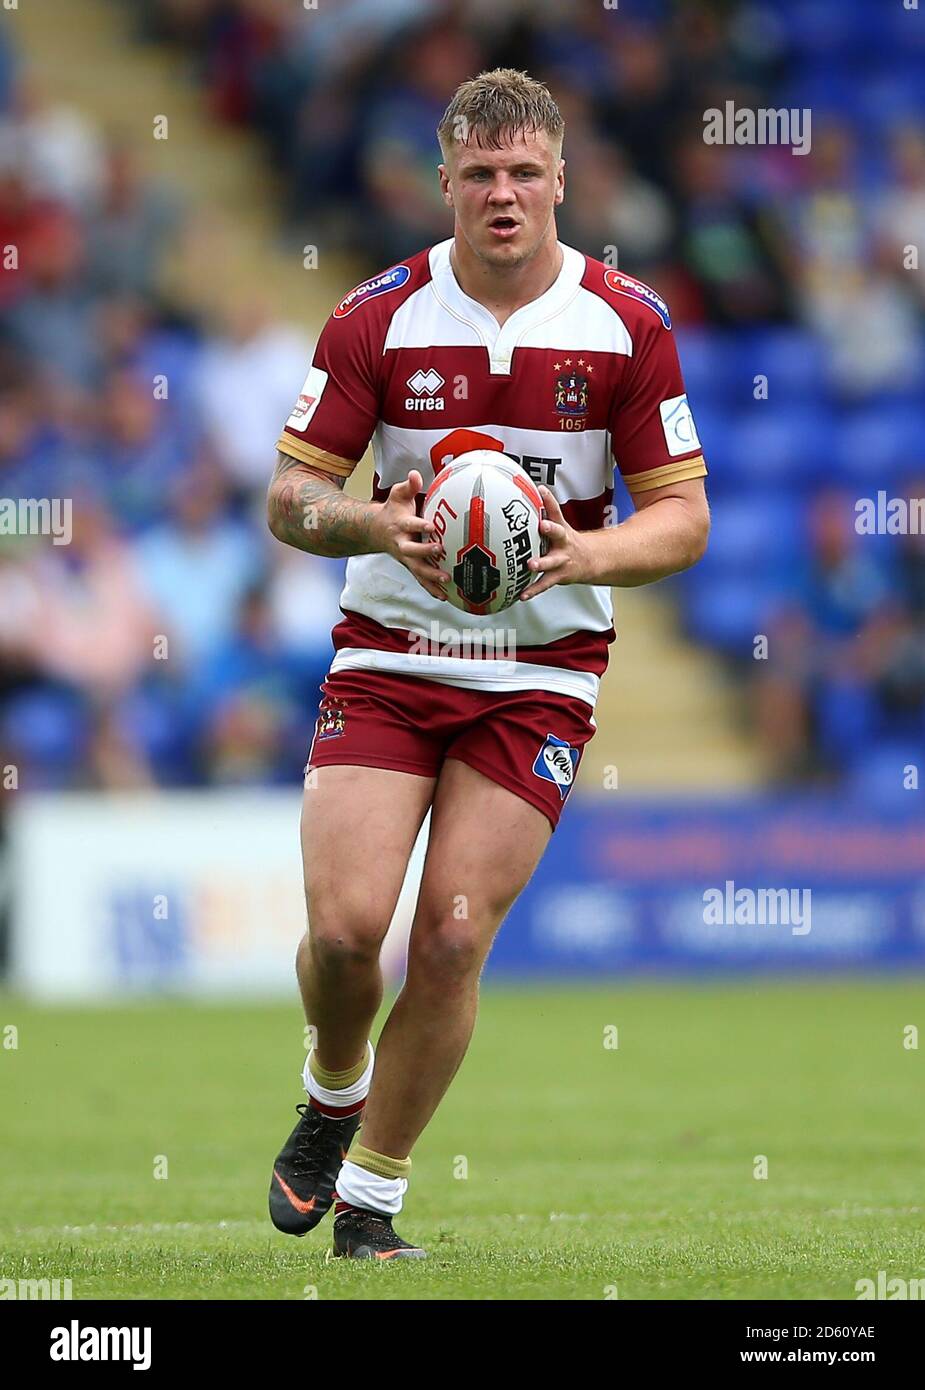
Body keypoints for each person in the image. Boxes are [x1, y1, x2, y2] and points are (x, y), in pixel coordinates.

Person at [265, 69, 710, 1259]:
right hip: (390, 653)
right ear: (444, 184)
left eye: (523, 173)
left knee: (454, 934)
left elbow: (683, 518)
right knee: (346, 934)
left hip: (541, 673)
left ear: (561, 180)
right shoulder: (377, 317)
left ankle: (371, 1201)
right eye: (479, 174)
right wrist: (373, 524)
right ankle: (333, 1083)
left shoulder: (625, 323)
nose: (502, 194)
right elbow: (290, 499)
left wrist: (586, 552)